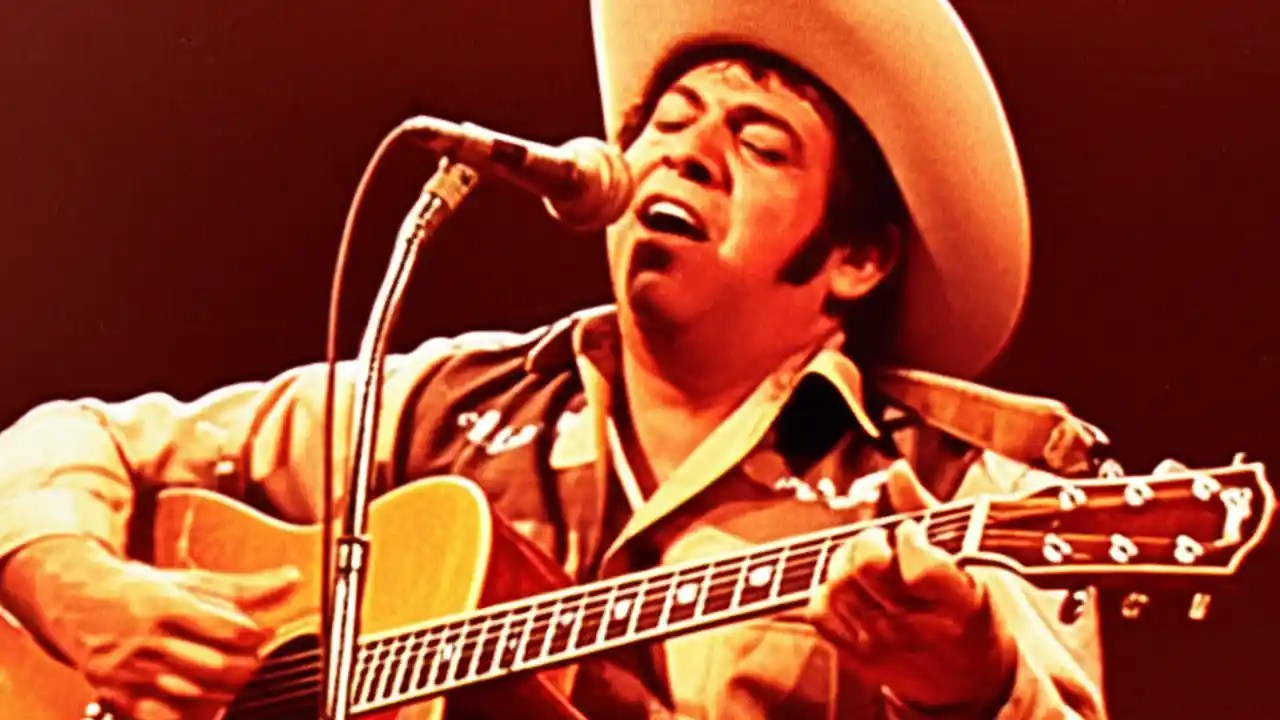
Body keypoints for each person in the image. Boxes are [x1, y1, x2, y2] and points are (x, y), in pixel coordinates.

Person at [0, 0, 1109, 718]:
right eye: (665, 121)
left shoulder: (962, 490)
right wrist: (69, 579)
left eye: (758, 142)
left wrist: (968, 678)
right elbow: (75, 438)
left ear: (856, 259)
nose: (685, 149)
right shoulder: (449, 400)